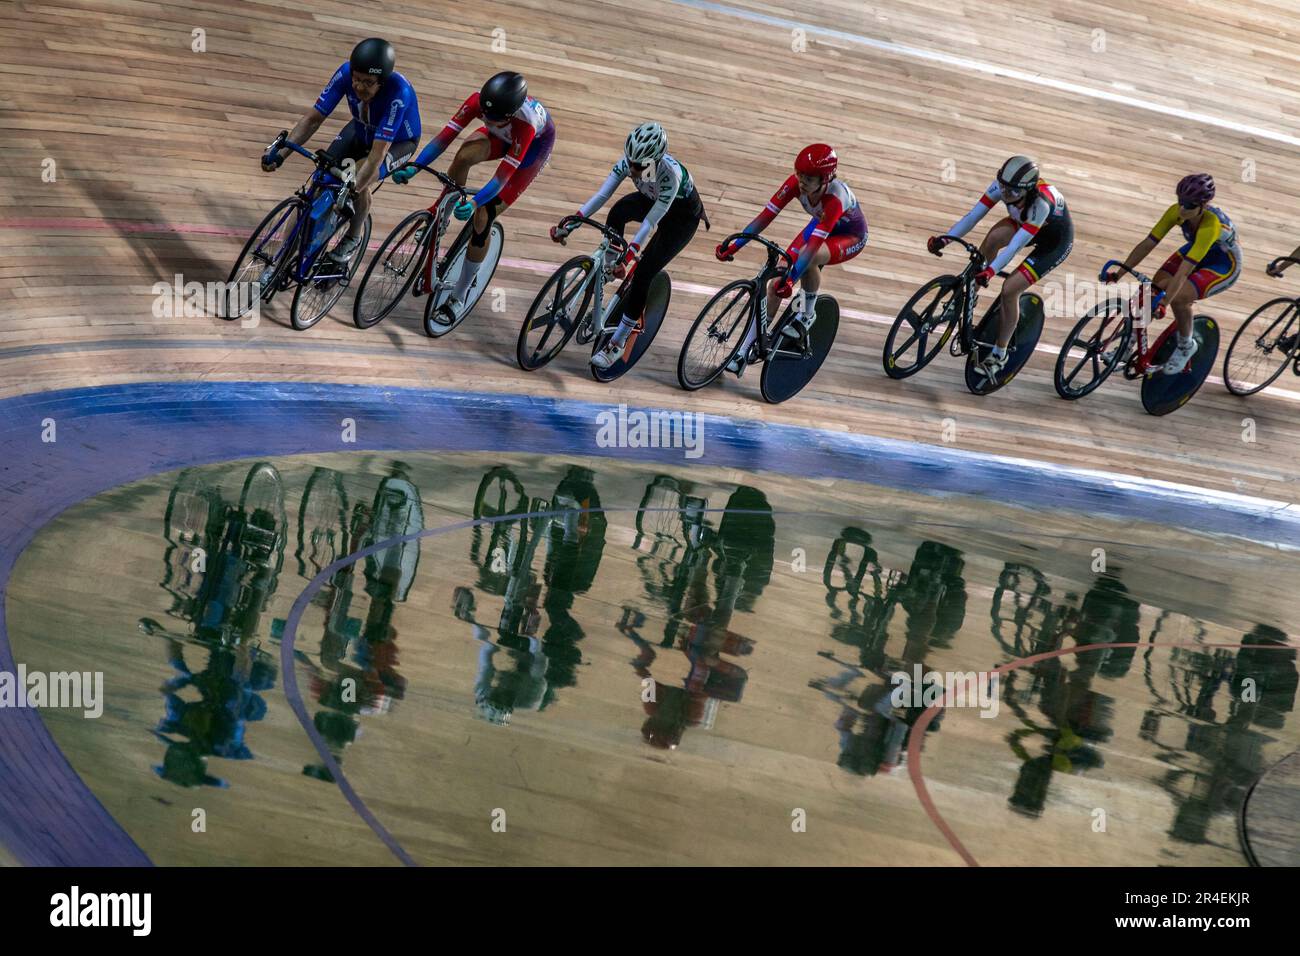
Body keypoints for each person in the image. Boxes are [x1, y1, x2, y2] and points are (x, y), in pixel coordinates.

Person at [392, 71, 555, 325]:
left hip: (532, 149)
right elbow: (444, 138)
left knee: (484, 215)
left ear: (510, 114)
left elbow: (501, 178)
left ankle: (460, 294)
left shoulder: (527, 124)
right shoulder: (478, 102)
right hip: (502, 135)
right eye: (485, 115)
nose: (486, 118)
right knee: (464, 155)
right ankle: (442, 215)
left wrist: (475, 202)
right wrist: (416, 166)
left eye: (493, 118)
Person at [551, 122, 709, 370]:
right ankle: (608, 268)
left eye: (638, 166)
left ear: (654, 160)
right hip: (653, 199)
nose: (632, 169)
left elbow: (649, 224)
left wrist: (630, 257)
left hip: (681, 218)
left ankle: (618, 341)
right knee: (618, 211)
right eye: (630, 162)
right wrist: (573, 221)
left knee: (644, 272)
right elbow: (602, 195)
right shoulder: (634, 162)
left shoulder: (670, 176)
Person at [262, 38, 422, 265]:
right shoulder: (345, 74)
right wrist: (281, 153)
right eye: (356, 79)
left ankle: (352, 237)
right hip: (361, 130)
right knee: (320, 183)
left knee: (356, 178)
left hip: (398, 144)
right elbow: (312, 119)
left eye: (368, 83)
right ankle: (279, 262)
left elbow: (376, 157)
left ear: (382, 83)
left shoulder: (399, 94)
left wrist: (353, 189)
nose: (358, 87)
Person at [714, 144, 867, 377]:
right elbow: (765, 217)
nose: (802, 181)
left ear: (825, 179)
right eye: (799, 174)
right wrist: (735, 245)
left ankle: (807, 314)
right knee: (775, 285)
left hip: (848, 236)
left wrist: (793, 278)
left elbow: (813, 246)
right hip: (820, 226)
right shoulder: (795, 183)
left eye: (809, 178)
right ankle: (744, 352)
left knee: (810, 258)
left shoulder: (835, 199)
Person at [929, 156, 1073, 380]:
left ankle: (1000, 353)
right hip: (1025, 223)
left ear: (1027, 190)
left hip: (1053, 242)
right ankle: (970, 298)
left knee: (1010, 289)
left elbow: (1015, 247)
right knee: (992, 239)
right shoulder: (1004, 186)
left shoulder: (1041, 205)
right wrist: (945, 239)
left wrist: (991, 270)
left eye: (1013, 192)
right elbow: (973, 217)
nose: (1006, 194)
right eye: (1004, 188)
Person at [1105, 173, 1240, 374]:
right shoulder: (1176, 212)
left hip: (1223, 265)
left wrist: (1165, 303)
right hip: (1197, 250)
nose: (1183, 209)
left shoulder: (1210, 226)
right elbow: (1148, 243)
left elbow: (1184, 272)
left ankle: (1187, 345)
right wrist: (1121, 272)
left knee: (1179, 297)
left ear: (1203, 206)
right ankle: (1130, 341)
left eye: (1190, 205)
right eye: (1181, 202)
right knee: (1153, 288)